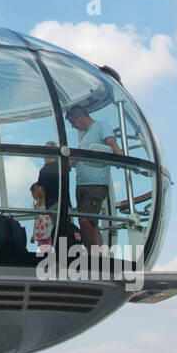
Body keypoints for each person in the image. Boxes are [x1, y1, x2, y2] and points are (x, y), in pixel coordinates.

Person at [65, 106, 122, 251]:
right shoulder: (85, 136)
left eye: (73, 122)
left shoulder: (101, 126)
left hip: (95, 184)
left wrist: (121, 159)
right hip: (82, 184)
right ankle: (98, 254)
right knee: (91, 223)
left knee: (86, 221)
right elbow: (78, 159)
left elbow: (111, 142)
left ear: (81, 117)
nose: (73, 126)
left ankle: (92, 254)